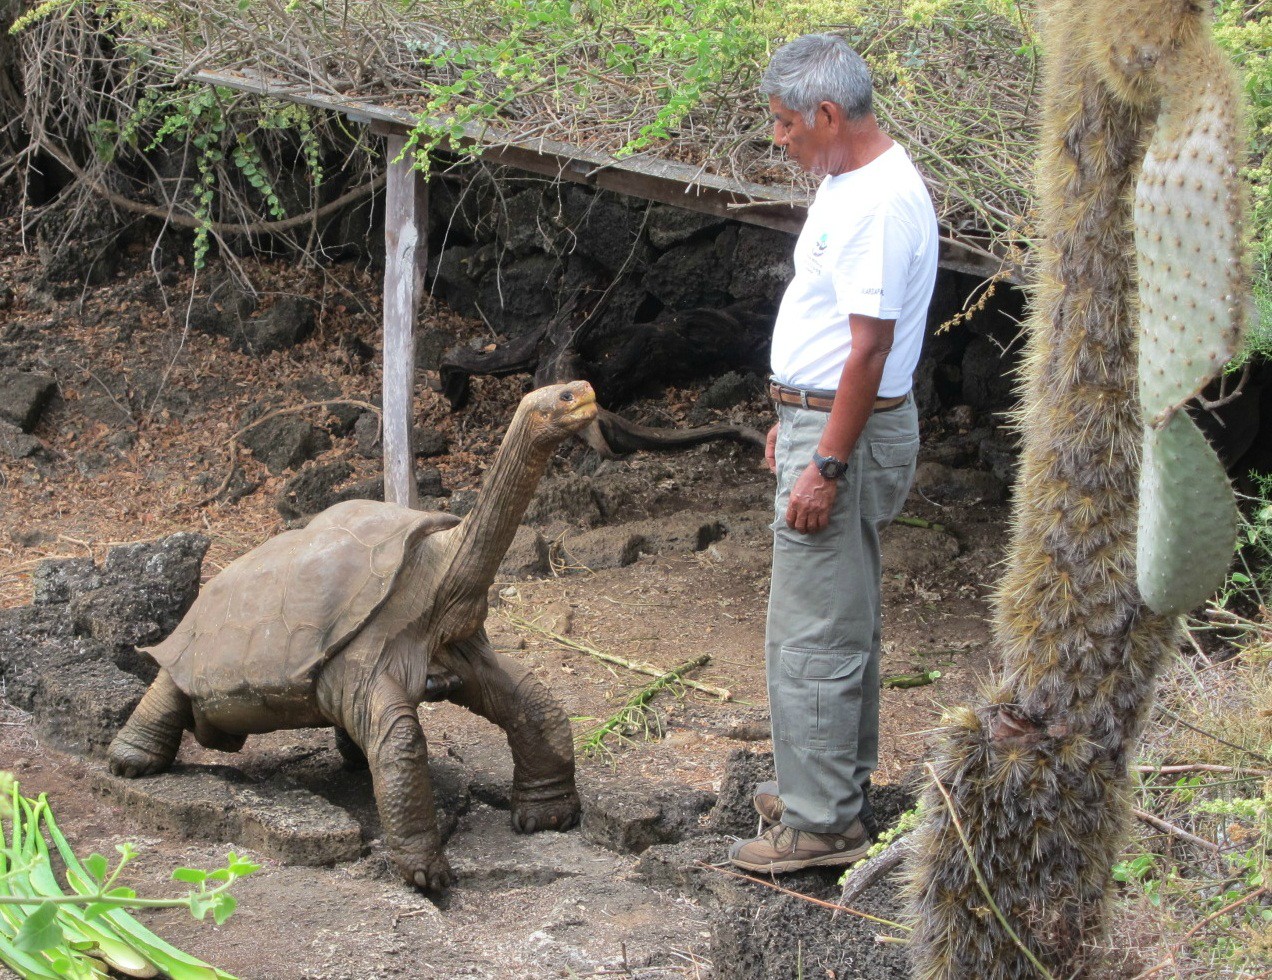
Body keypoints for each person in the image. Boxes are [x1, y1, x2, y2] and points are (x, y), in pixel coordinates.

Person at [727, 34, 938, 874]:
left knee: (816, 631)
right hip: (822, 418)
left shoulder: (878, 201)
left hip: (844, 429)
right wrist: (794, 413)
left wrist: (828, 461)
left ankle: (820, 825)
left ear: (825, 114)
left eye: (784, 124)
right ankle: (827, 786)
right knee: (829, 617)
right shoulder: (851, 180)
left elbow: (868, 351)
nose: (779, 139)